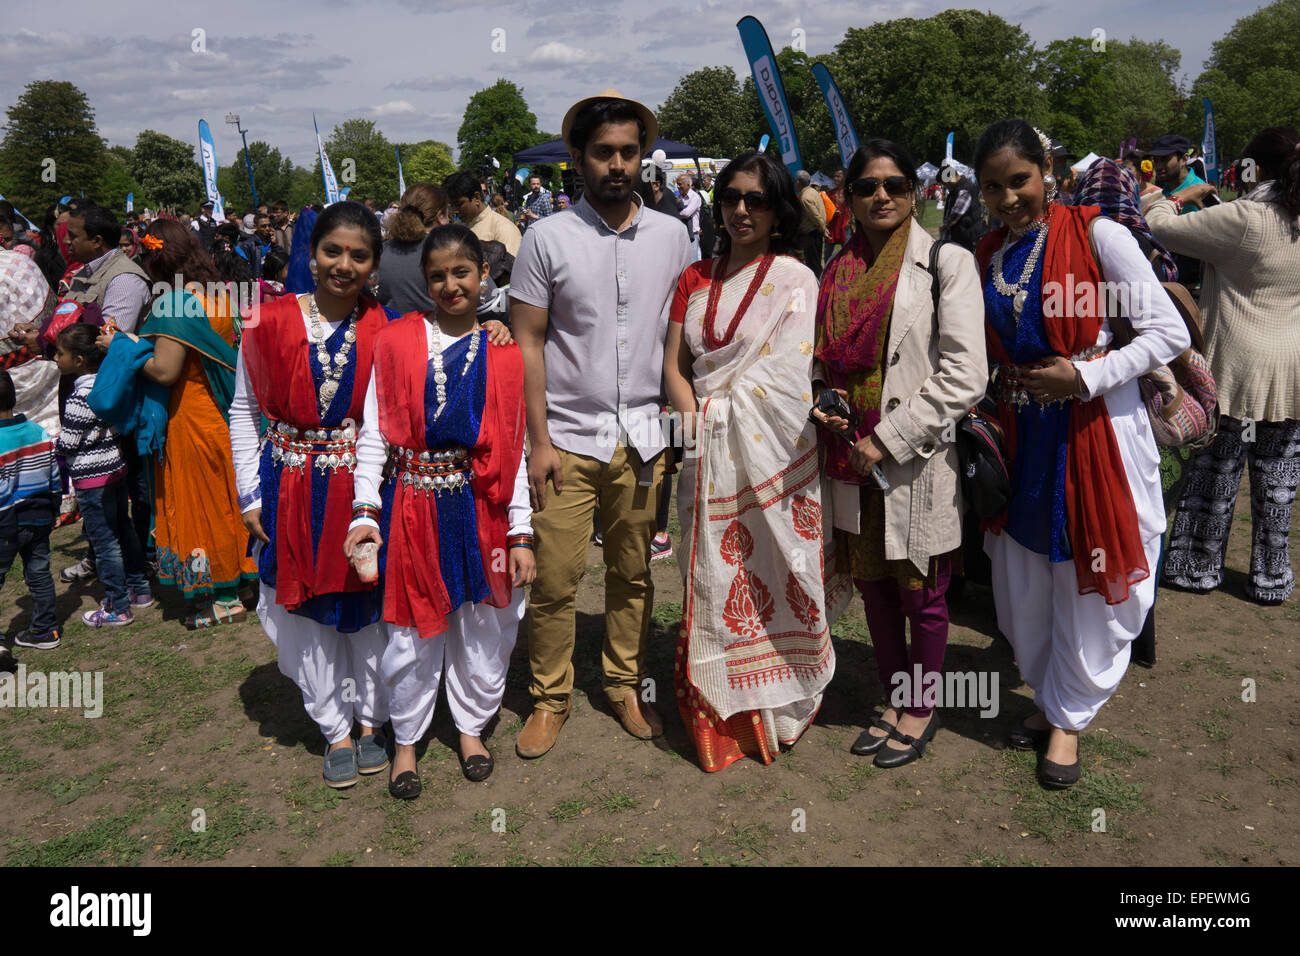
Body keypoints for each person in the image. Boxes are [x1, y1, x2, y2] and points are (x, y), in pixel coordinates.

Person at [973, 120, 1189, 789]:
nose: (1009, 198)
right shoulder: (989, 250)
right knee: (1023, 579)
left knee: (1087, 577)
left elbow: (1168, 330)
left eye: (1020, 181)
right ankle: (1047, 692)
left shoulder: (1099, 234)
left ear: (1048, 171)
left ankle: (1069, 718)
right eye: (993, 187)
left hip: (1094, 429)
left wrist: (1087, 376)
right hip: (1020, 434)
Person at [511, 90, 692, 757]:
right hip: (565, 437)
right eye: (603, 153)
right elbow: (528, 341)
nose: (617, 164)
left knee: (634, 572)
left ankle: (624, 685)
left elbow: (685, 336)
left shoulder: (675, 237)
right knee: (555, 580)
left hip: (645, 440)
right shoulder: (546, 237)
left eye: (628, 152)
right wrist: (536, 442)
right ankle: (549, 698)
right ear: (577, 161)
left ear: (643, 157)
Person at [663, 150, 851, 771]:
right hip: (706, 448)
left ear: (778, 213)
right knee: (715, 576)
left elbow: (794, 374)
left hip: (773, 454)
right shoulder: (695, 275)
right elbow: (674, 365)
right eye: (731, 196)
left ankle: (780, 702)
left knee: (776, 569)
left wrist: (721, 415)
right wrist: (696, 416)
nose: (742, 209)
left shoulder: (795, 279)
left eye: (757, 200)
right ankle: (720, 707)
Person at [812, 140, 987, 768]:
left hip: (911, 456)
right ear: (850, 195)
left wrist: (884, 440)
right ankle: (893, 695)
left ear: (916, 192)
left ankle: (921, 707)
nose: (881, 196)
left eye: (895, 184)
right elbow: (822, 355)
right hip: (847, 458)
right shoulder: (837, 267)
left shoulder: (947, 261)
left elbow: (965, 375)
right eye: (866, 186)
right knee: (873, 585)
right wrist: (821, 398)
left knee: (923, 591)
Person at [343, 225, 529, 799]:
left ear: (483, 275)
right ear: (425, 281)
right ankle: (405, 742)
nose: (451, 285)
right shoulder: (396, 342)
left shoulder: (503, 350)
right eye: (438, 276)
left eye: (462, 272)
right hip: (413, 507)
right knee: (408, 631)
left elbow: (513, 447)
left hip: (480, 509)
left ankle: (471, 729)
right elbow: (374, 434)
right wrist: (364, 511)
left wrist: (520, 531)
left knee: (481, 625)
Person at [231, 200, 396, 789]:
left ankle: (374, 721)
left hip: (364, 487)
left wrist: (496, 325)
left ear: (375, 262)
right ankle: (335, 729)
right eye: (333, 251)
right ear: (311, 253)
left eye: (359, 255)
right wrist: (250, 495)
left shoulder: (389, 326)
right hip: (289, 488)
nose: (344, 265)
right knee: (306, 612)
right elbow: (245, 412)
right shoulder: (265, 321)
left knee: (367, 607)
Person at [1151, 127, 1300, 605]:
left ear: (1255, 168)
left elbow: (1159, 226)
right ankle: (1271, 578)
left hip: (1235, 369)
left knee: (1214, 477)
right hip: (1291, 370)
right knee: (1278, 485)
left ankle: (1197, 566)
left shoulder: (1247, 217)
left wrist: (1181, 194)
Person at [102, 219, 258, 627]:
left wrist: (120, 345)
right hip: (222, 414)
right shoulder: (218, 295)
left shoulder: (173, 304)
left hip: (189, 419)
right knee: (229, 503)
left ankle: (222, 600)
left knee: (202, 507)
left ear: (156, 259)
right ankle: (245, 582)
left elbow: (167, 371)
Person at [1073, 157, 1194, 666]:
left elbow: (1166, 331)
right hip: (1150, 403)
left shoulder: (1091, 243)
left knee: (1123, 518)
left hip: (1121, 402)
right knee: (1148, 520)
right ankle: (1140, 632)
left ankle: (1114, 632)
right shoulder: (1153, 247)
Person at [54, 324, 152, 626]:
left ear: (79, 360)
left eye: (60, 353)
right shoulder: (109, 386)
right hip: (116, 471)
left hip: (91, 479)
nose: (56, 359)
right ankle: (140, 589)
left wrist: (55, 444)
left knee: (104, 541)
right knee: (124, 528)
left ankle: (117, 605)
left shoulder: (78, 397)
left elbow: (68, 443)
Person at [0, 367, 61, 653]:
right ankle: (44, 630)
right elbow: (54, 477)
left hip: (5, 524)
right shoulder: (38, 431)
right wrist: (55, 509)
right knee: (39, 574)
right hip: (38, 517)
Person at [378, 183, 450, 315]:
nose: (449, 220)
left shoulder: (376, 254)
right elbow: (487, 302)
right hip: (437, 333)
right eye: (447, 214)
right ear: (440, 216)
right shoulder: (450, 252)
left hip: (385, 332)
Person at [444, 171, 522, 256]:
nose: (454, 210)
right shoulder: (456, 228)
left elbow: (509, 267)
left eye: (458, 204)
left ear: (477, 197)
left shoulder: (504, 229)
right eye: (451, 205)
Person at [796, 170, 827, 280]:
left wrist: (823, 229)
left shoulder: (805, 197)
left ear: (798, 182)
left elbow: (815, 216)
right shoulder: (813, 192)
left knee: (813, 264)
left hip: (812, 233)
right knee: (816, 261)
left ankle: (819, 287)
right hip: (816, 232)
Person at [676, 173, 702, 259]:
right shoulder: (678, 197)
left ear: (688, 185)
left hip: (692, 234)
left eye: (680, 184)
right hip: (681, 233)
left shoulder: (695, 197)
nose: (678, 187)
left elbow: (687, 213)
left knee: (692, 259)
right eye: (677, 184)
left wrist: (675, 214)